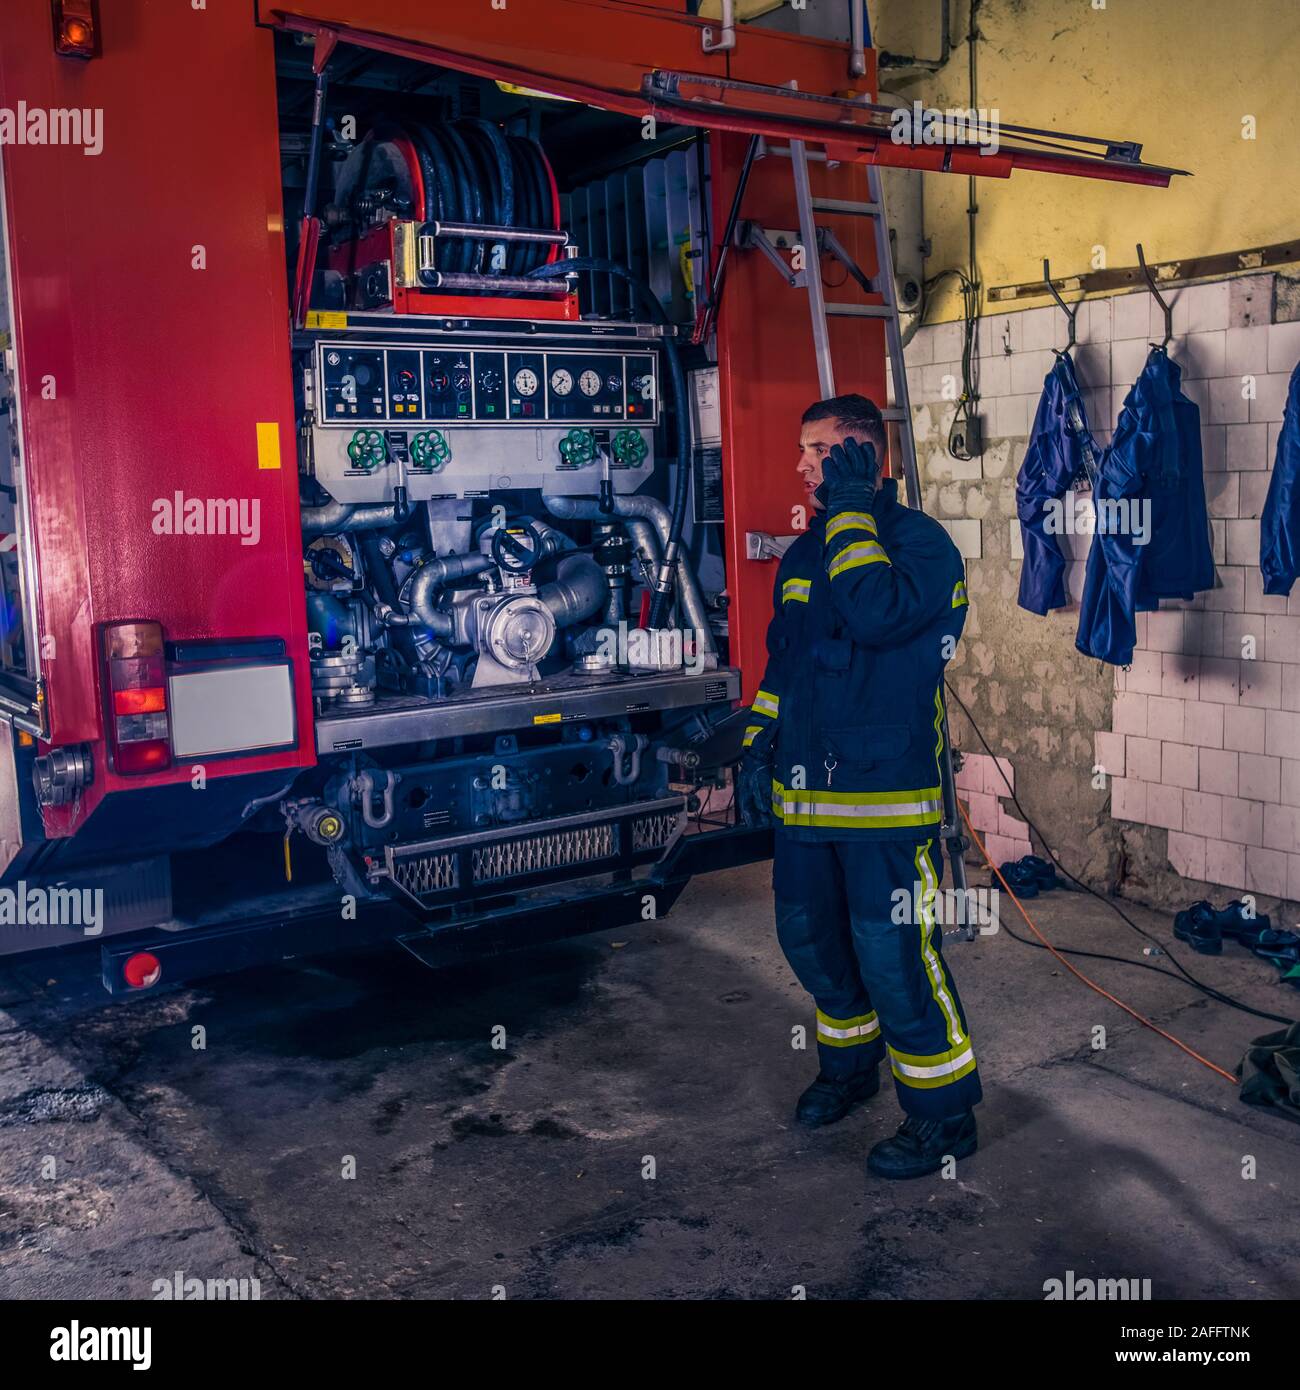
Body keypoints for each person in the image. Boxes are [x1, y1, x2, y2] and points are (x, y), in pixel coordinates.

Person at [738, 393, 981, 1180]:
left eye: (821, 450)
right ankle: (849, 1068)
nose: (803, 464)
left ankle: (945, 1118)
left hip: (884, 804)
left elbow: (877, 615)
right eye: (804, 450)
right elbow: (787, 663)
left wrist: (850, 509)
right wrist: (754, 742)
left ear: (862, 458)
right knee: (812, 943)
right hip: (805, 804)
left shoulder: (921, 545)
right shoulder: (807, 554)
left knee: (894, 958)